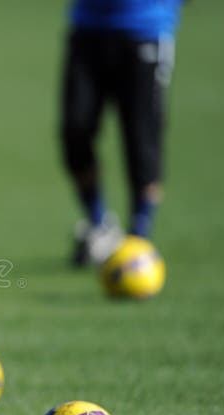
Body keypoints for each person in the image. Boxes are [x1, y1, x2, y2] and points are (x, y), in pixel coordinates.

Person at [59, 0, 184, 265]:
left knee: (142, 143)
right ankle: (100, 224)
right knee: (75, 130)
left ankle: (138, 240)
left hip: (146, 28)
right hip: (88, 27)